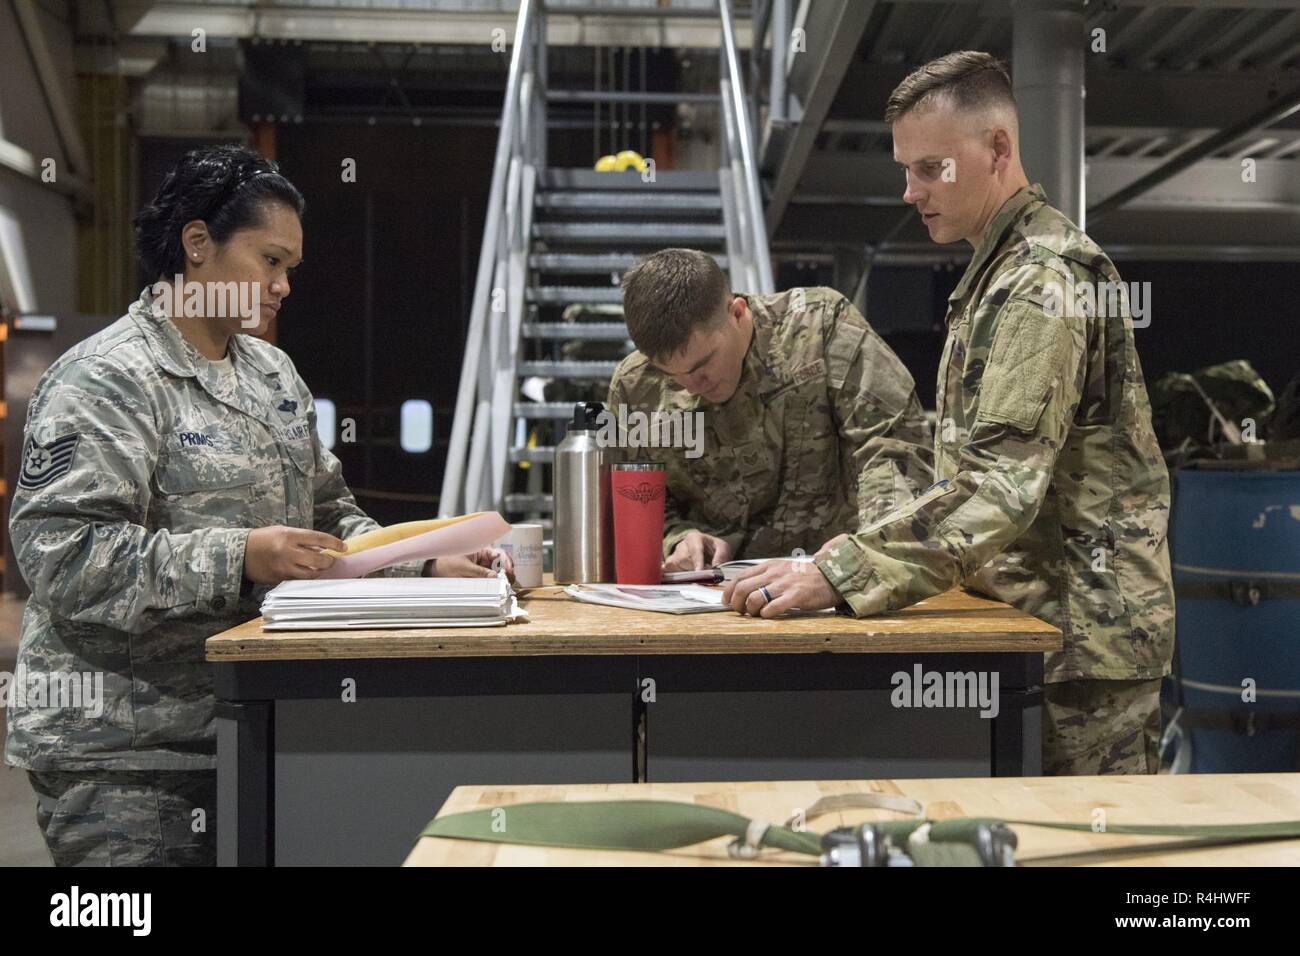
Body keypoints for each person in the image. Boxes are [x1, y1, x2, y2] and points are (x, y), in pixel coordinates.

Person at [4, 144, 507, 865]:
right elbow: (65, 557)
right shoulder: (106, 380)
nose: (284, 287)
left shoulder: (271, 374)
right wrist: (241, 557)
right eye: (270, 262)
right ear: (198, 244)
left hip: (248, 724)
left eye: (290, 270)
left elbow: (330, 515)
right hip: (126, 753)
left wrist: (421, 565)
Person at [723, 52, 1175, 776]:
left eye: (931, 168)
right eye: (907, 170)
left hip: (1079, 644)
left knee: (1088, 850)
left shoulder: (1039, 284)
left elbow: (999, 485)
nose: (911, 191)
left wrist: (841, 570)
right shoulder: (999, 273)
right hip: (1039, 624)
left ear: (997, 149)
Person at [607, 248, 933, 569]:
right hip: (712, 595)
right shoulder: (635, 386)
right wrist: (677, 538)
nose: (690, 384)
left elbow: (895, 446)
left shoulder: (820, 326)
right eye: (670, 374)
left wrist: (870, 550)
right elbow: (637, 498)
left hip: (833, 580)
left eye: (701, 365)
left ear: (736, 312)